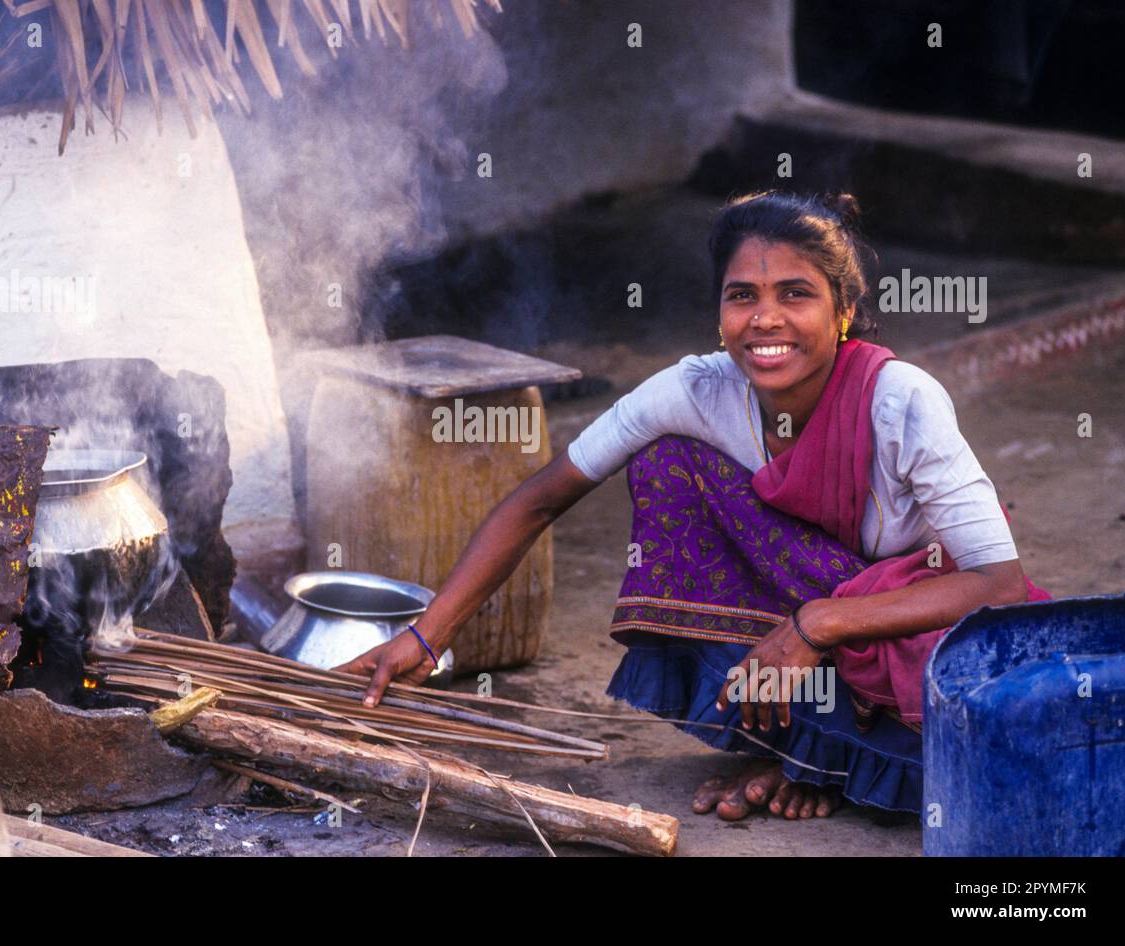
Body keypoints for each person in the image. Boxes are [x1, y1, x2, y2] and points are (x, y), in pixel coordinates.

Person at [336, 191, 1048, 821]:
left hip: (918, 624)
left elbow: (997, 584)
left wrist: (819, 622)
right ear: (719, 314)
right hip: (811, 624)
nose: (765, 320)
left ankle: (821, 761)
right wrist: (425, 638)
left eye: (796, 294)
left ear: (845, 312)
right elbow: (539, 500)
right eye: (743, 296)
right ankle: (808, 750)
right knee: (668, 467)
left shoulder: (903, 400)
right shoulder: (695, 391)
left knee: (995, 768)